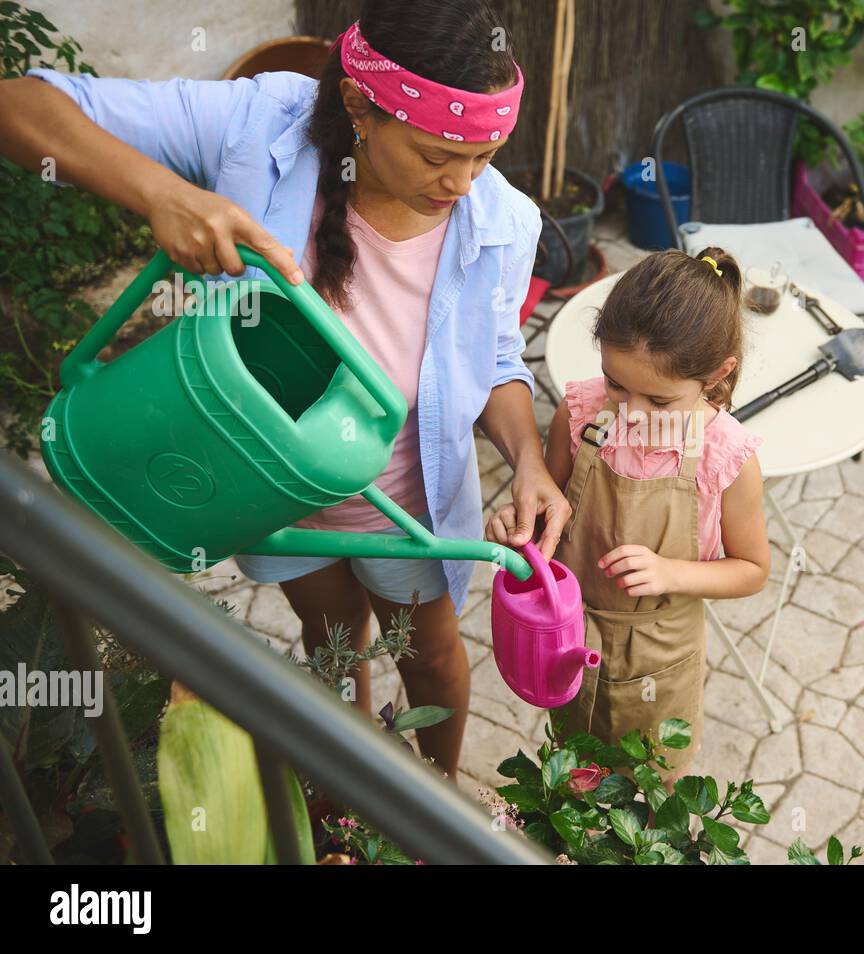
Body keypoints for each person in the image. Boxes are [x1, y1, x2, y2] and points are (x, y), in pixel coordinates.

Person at [0, 0, 571, 781]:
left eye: (484, 155)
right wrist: (167, 197)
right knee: (333, 641)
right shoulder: (258, 122)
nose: (464, 183)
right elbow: (19, 106)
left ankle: (430, 800)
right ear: (359, 106)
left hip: (402, 507)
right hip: (259, 488)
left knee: (432, 658)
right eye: (440, 154)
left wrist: (530, 464)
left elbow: (499, 356)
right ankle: (346, 787)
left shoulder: (503, 219)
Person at [487, 247, 772, 781]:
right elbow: (550, 515)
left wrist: (671, 572)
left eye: (660, 401)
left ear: (716, 374)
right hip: (573, 639)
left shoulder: (725, 457)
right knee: (573, 779)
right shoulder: (580, 416)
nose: (631, 412)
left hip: (661, 662)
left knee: (653, 789)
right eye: (616, 383)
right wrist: (518, 533)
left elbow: (753, 570)